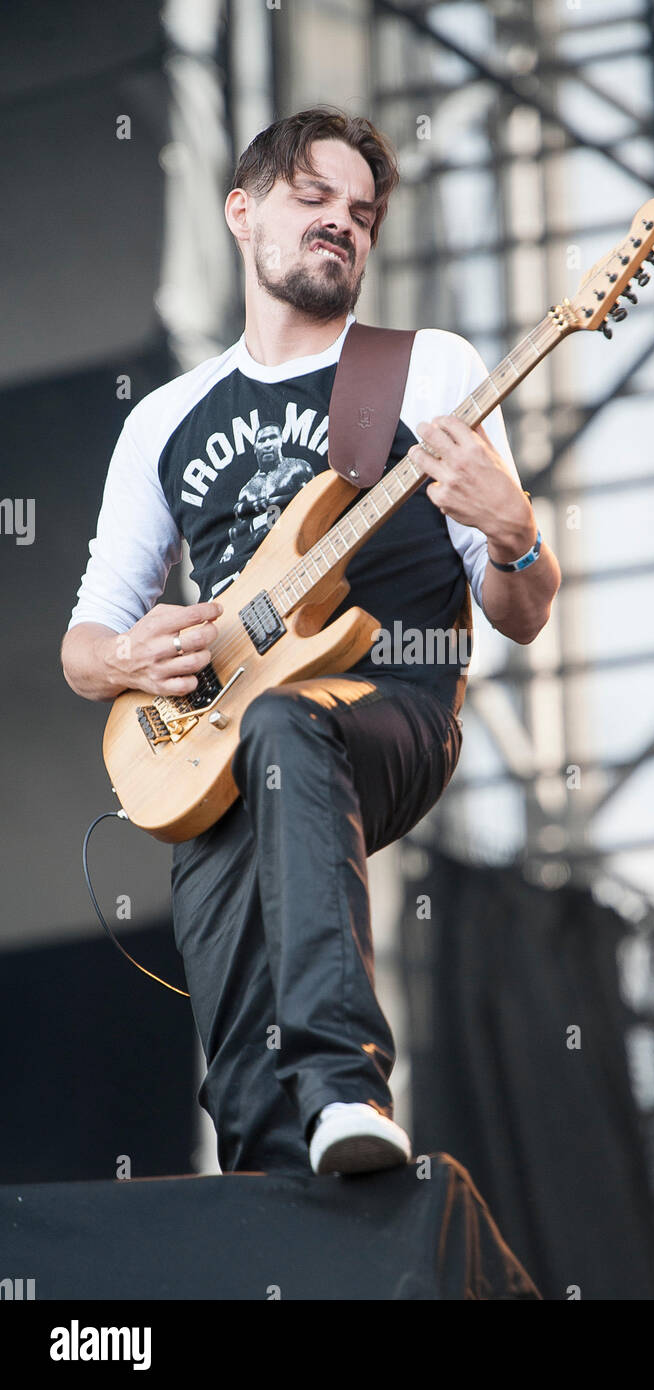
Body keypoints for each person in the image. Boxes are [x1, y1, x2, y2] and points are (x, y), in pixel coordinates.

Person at [61, 107, 561, 1178]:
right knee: (241, 1068)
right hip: (213, 740)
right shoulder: (164, 418)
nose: (343, 223)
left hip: (389, 708)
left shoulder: (421, 369)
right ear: (242, 212)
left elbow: (518, 611)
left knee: (293, 725)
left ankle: (344, 1085)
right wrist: (130, 659)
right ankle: (280, 1218)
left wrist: (513, 532)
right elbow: (84, 642)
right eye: (315, 198)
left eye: (362, 213)